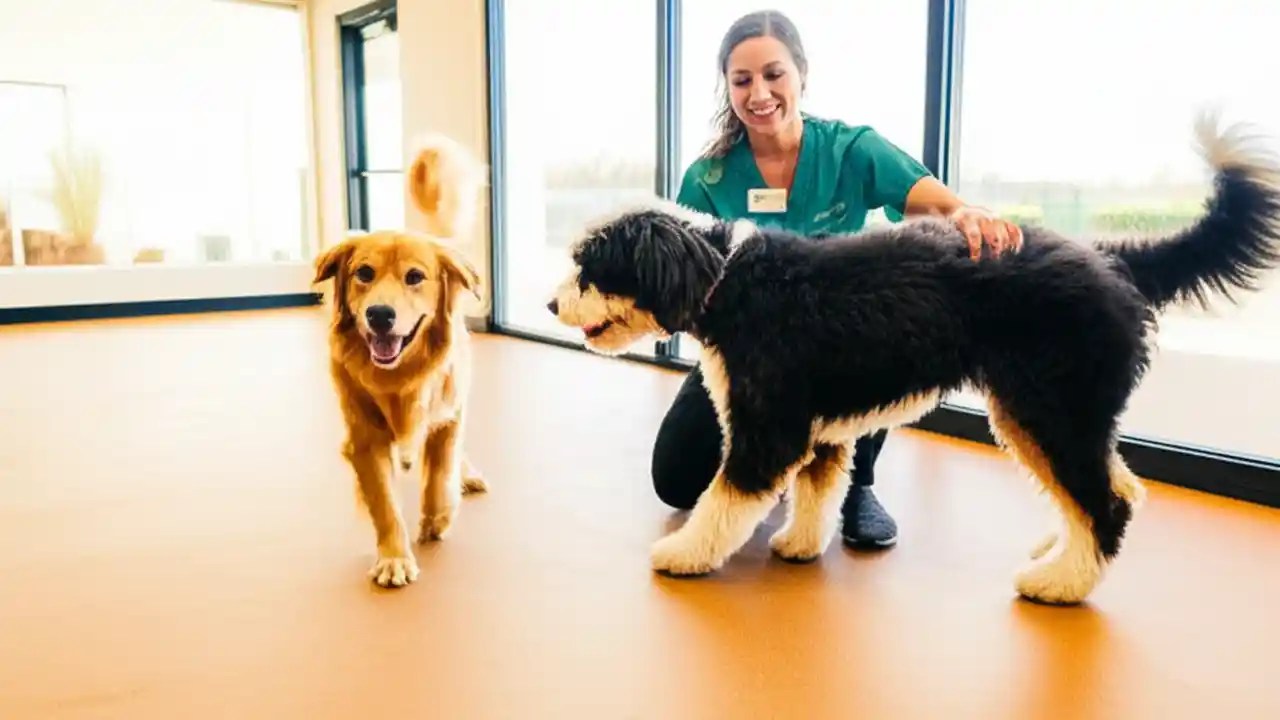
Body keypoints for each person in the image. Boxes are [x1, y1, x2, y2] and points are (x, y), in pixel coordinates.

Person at [650, 9, 1022, 549]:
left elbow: (936, 202)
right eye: (742, 80)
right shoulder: (707, 177)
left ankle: (855, 486)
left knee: (875, 347)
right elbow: (680, 281)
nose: (760, 94)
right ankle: (782, 455)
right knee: (676, 480)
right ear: (727, 86)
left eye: (774, 74)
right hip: (746, 353)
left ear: (801, 73)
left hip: (840, 341)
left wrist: (965, 213)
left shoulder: (851, 149)